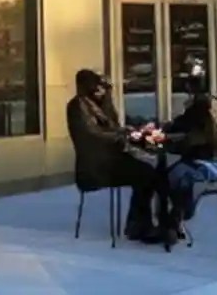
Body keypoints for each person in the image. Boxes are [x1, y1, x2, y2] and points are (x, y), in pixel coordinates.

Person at [66, 69, 164, 243]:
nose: (100, 90)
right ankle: (139, 225)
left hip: (110, 160)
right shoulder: (78, 106)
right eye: (97, 86)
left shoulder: (97, 105)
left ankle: (141, 223)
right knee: (145, 175)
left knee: (150, 172)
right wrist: (121, 135)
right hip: (96, 167)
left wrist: (108, 99)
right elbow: (92, 134)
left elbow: (113, 124)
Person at [161, 94, 217, 231]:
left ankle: (175, 217)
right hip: (203, 163)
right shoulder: (208, 119)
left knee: (172, 178)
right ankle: (174, 216)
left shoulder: (198, 120)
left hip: (201, 165)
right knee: (172, 176)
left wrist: (170, 142)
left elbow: (189, 141)